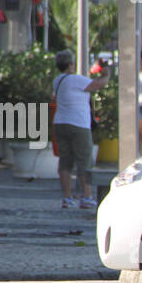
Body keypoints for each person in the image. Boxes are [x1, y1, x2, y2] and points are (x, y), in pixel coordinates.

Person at [51, 49, 110, 209]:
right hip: (78, 124)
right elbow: (99, 85)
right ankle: (87, 196)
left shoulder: (57, 80)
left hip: (60, 123)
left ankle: (67, 198)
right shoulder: (75, 80)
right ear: (71, 64)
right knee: (85, 161)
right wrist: (106, 73)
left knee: (65, 162)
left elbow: (86, 84)